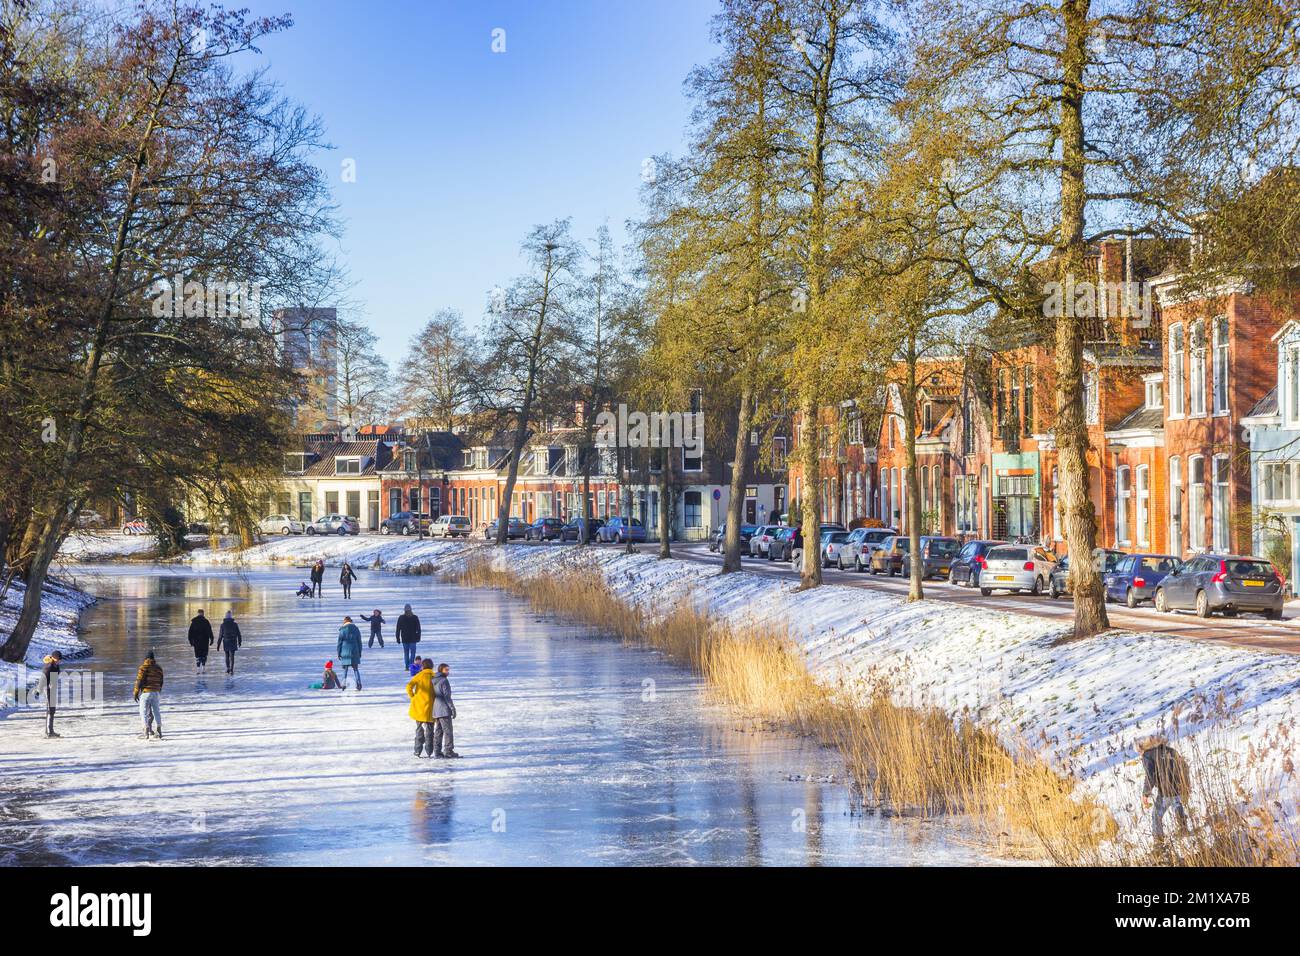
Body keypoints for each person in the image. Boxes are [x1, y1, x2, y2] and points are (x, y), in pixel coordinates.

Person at [1140, 736, 1191, 841]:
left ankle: (1159, 841)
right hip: (1179, 787)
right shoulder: (1171, 751)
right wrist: (1186, 785)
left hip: (1165, 791)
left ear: (1143, 748)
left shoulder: (1147, 755)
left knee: (1156, 815)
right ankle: (1184, 830)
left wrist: (1145, 793)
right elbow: (1184, 766)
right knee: (1177, 806)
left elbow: (1150, 776)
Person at [407, 659, 436, 757]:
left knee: (419, 728)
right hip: (432, 707)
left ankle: (417, 750)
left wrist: (413, 696)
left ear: (422, 667)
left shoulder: (419, 676)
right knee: (430, 730)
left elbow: (409, 686)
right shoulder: (434, 676)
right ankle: (429, 750)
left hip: (419, 706)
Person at [133, 651, 165, 739]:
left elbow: (139, 680)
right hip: (156, 692)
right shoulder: (159, 668)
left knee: (143, 712)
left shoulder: (143, 667)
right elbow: (161, 681)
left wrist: (136, 692)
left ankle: (146, 729)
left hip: (146, 692)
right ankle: (158, 728)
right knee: (156, 711)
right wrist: (158, 690)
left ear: (146, 658)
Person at [432, 662, 459, 758]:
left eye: (448, 669)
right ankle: (448, 751)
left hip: (436, 709)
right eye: (446, 670)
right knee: (448, 731)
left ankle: (437, 751)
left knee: (439, 731)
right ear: (441, 670)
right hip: (443, 709)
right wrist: (452, 708)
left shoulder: (433, 679)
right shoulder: (444, 681)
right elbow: (447, 696)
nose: (448, 672)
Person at [39, 651, 62, 738]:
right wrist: (39, 690)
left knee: (52, 709)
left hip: (52, 688)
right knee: (50, 709)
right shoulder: (49, 667)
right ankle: (49, 731)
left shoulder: (56, 665)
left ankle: (51, 730)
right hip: (47, 688)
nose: (58, 661)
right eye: (57, 659)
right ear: (53, 658)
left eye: (59, 660)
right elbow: (42, 679)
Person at [336, 615, 363, 690]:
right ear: (351, 621)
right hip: (355, 651)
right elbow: (359, 642)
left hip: (345, 652)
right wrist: (360, 652)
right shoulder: (356, 629)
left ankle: (343, 685)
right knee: (356, 669)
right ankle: (359, 684)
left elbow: (339, 643)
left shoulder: (342, 630)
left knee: (345, 670)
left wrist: (338, 653)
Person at [395, 603, 421, 671]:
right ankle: (411, 665)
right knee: (413, 653)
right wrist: (418, 637)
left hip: (404, 638)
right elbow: (418, 629)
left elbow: (398, 629)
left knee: (406, 653)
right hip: (413, 638)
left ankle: (407, 666)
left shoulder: (401, 617)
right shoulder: (415, 617)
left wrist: (397, 638)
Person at [217, 611, 242, 675]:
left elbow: (220, 635)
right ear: (231, 617)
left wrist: (218, 645)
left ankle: (228, 668)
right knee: (232, 656)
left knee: (227, 655)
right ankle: (231, 669)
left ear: (225, 617)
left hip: (226, 641)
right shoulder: (235, 624)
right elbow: (238, 634)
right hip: (233, 641)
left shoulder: (223, 625)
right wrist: (239, 642)